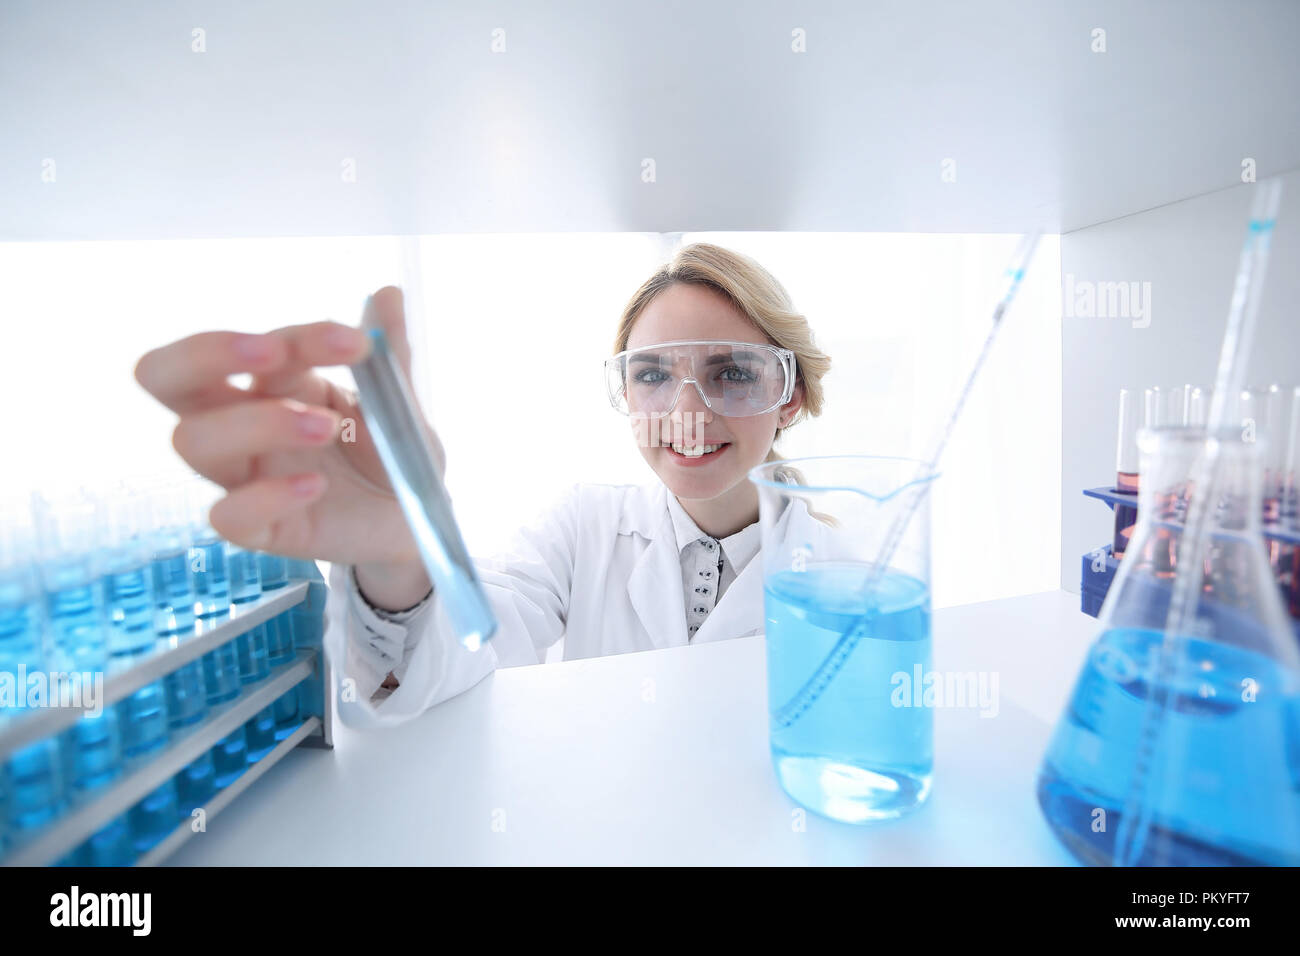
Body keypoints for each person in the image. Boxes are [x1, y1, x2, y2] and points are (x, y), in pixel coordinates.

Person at [134, 243, 832, 725]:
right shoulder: (583, 526)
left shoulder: (851, 570)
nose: (685, 413)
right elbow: (460, 659)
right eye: (652, 375)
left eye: (732, 373)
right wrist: (398, 556)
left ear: (791, 395)